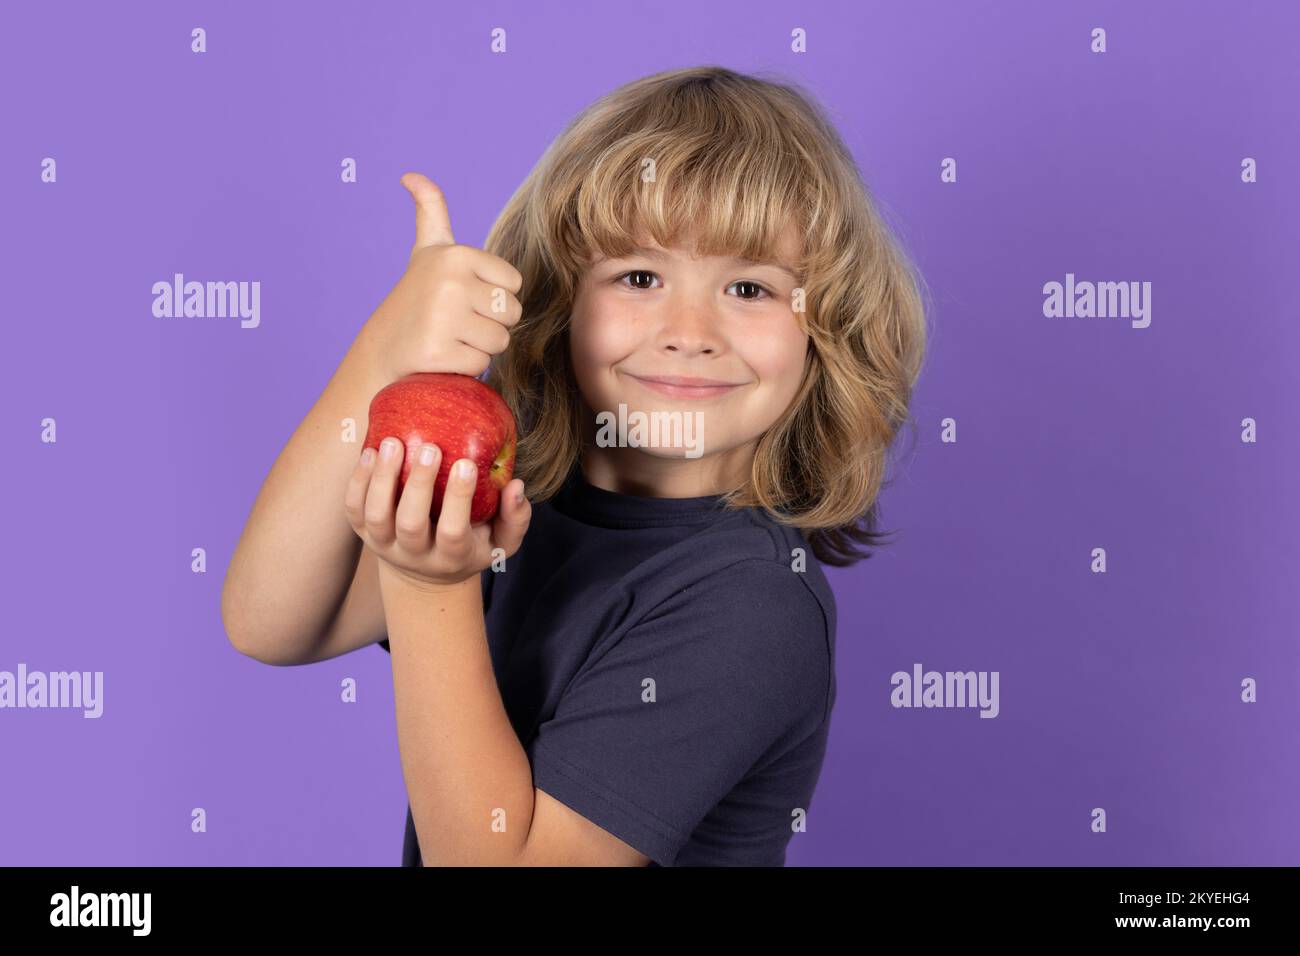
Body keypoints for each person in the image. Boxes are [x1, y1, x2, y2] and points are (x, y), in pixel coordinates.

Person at [222, 65, 928, 866]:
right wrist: (386, 354)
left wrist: (428, 586)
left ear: (824, 334)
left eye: (748, 286)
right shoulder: (522, 497)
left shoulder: (751, 604)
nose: (689, 329)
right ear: (559, 303)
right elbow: (269, 620)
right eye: (639, 276)